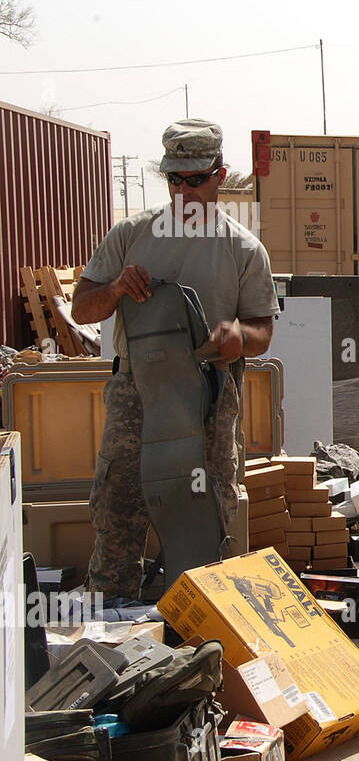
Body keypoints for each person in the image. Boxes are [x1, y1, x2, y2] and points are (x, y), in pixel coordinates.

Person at [71, 119, 279, 598]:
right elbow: (83, 308)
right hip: (136, 389)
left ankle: (206, 616)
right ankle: (109, 612)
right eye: (175, 180)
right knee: (118, 500)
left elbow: (263, 331)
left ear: (219, 175)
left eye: (196, 179)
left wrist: (237, 337)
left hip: (206, 392)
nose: (185, 190)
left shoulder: (243, 248)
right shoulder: (131, 234)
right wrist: (117, 287)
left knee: (206, 505)